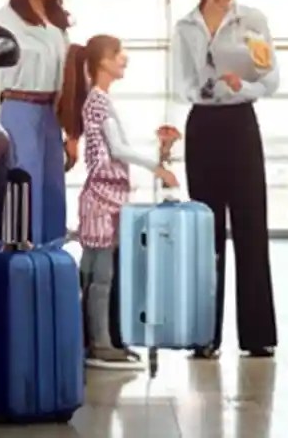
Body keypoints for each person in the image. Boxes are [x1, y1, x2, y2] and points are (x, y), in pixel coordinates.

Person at [172, 0, 281, 359]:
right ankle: (204, 335)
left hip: (241, 123)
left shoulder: (253, 21)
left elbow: (270, 79)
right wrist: (208, 87)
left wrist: (243, 87)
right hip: (203, 125)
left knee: (252, 226)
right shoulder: (186, 26)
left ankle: (258, 335)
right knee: (206, 232)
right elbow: (180, 82)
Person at [67, 34, 180, 369]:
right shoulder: (98, 101)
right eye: (118, 54)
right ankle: (100, 345)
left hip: (104, 198)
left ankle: (99, 340)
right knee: (101, 276)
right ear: (102, 61)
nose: (124, 59)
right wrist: (156, 167)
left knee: (96, 273)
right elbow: (117, 149)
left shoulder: (97, 100)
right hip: (103, 198)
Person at [0, 0, 72, 245]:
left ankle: (50, 265)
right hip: (17, 109)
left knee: (53, 190)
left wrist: (70, 128)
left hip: (50, 114)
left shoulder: (57, 24)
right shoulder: (4, 20)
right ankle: (21, 265)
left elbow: (66, 75)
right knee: (25, 188)